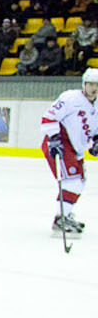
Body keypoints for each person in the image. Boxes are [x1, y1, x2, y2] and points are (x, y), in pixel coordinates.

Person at [42, 67, 98, 236]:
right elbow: (49, 117)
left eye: (97, 85)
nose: (93, 88)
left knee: (79, 182)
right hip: (60, 143)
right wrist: (53, 138)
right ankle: (61, 219)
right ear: (84, 84)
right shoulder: (70, 98)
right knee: (72, 181)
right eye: (90, 84)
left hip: (76, 148)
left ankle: (65, 214)